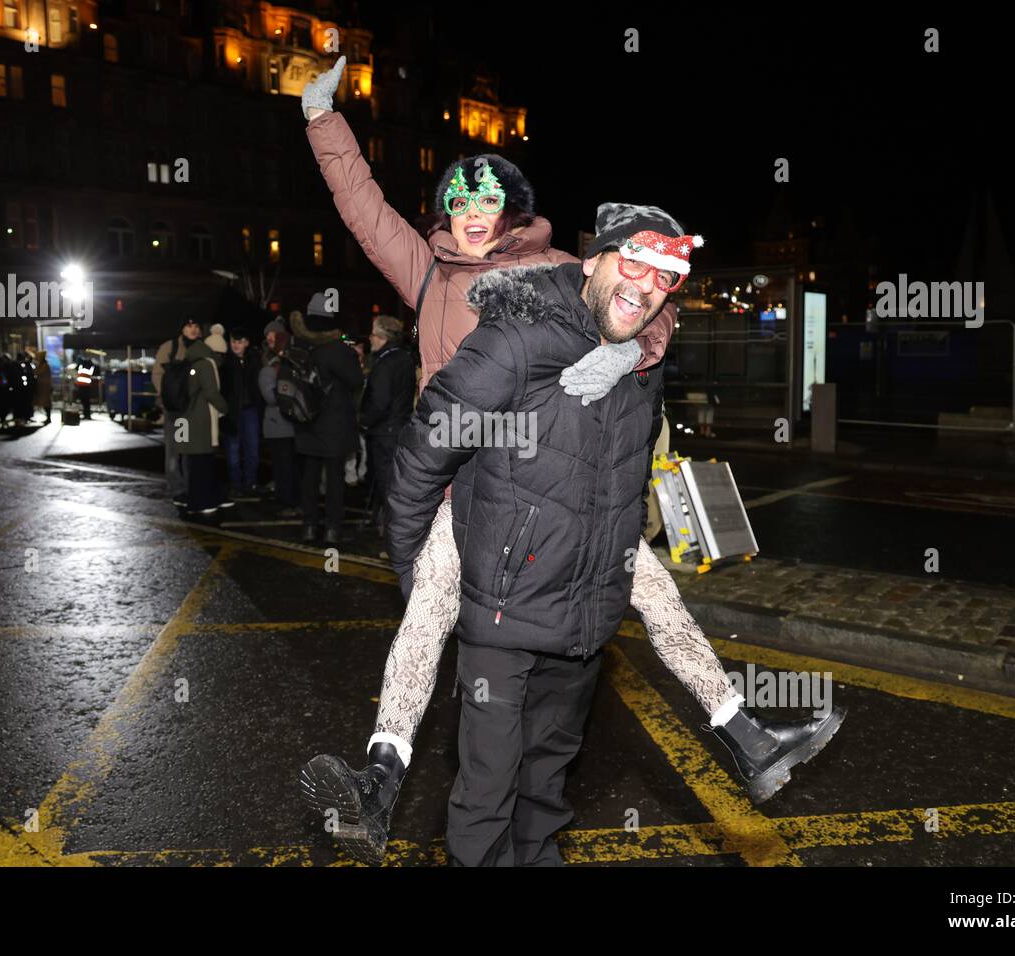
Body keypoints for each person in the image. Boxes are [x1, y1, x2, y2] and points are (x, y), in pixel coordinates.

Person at [303, 204, 846, 866]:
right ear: (592, 260)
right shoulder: (515, 340)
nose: (647, 285)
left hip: (583, 620)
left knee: (545, 791)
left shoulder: (640, 365)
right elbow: (421, 458)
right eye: (634, 263)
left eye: (666, 278)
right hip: (502, 615)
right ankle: (382, 778)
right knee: (486, 796)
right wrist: (422, 577)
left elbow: (624, 476)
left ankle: (745, 737)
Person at [295, 59, 685, 863]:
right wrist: (322, 120)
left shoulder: (548, 271)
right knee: (451, 665)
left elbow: (642, 296)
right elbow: (363, 209)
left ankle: (737, 733)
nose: (474, 214)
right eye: (460, 201)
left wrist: (634, 352)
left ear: (512, 212)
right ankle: (383, 781)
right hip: (467, 495)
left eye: (489, 200)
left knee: (567, 706)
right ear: (445, 213)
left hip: (556, 498)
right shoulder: (429, 271)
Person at [292, 294, 363, 545]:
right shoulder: (338, 350)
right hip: (334, 426)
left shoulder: (298, 345)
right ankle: (333, 528)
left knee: (309, 478)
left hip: (305, 422)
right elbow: (356, 381)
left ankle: (309, 527)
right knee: (334, 480)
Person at [358, 316, 416, 535]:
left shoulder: (384, 363)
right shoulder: (404, 358)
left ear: (382, 336)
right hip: (400, 426)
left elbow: (379, 402)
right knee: (396, 480)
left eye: (372, 334)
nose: (370, 338)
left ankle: (391, 529)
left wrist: (364, 421)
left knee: (386, 481)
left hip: (385, 431)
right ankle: (388, 522)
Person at [173, 331, 229, 517]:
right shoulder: (205, 364)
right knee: (201, 463)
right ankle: (199, 503)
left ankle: (203, 498)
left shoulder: (192, 360)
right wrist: (226, 409)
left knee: (197, 461)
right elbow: (211, 393)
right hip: (200, 420)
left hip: (187, 418)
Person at [153, 318, 203, 507]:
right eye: (189, 325)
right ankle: (177, 488)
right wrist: (165, 398)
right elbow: (157, 374)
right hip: (175, 409)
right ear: (181, 328)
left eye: (196, 325)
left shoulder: (200, 348)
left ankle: (189, 487)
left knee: (188, 449)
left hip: (192, 409)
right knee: (175, 450)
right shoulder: (170, 347)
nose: (193, 329)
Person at [259, 318, 300, 514]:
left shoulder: (288, 361)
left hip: (289, 422)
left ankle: (289, 499)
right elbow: (271, 397)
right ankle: (286, 499)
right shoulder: (270, 364)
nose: (270, 340)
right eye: (267, 337)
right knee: (284, 464)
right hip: (279, 423)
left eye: (273, 336)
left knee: (289, 465)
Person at [220, 328, 265, 497]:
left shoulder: (255, 360)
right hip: (232, 412)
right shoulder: (225, 363)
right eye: (233, 342)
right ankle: (236, 484)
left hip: (251, 410)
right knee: (232, 450)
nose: (236, 345)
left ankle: (250, 483)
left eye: (239, 342)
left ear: (246, 343)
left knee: (252, 449)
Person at [73, 353, 98, 420]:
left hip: (82, 387)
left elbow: (76, 368)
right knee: (86, 402)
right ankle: (87, 414)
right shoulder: (90, 368)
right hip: (86, 387)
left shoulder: (81, 367)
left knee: (85, 402)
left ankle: (86, 414)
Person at [33, 349, 53, 424]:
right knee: (45, 403)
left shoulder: (44, 365)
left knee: (46, 403)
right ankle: (48, 417)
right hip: (42, 387)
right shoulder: (43, 365)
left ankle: (48, 417)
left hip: (45, 387)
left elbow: (38, 373)